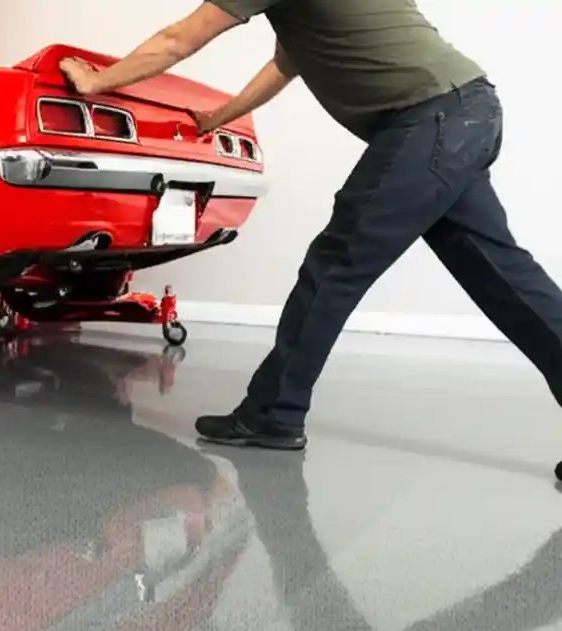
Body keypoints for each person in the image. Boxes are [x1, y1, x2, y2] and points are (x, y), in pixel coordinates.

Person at [60, 1, 562, 451]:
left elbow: (180, 38)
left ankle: (273, 414)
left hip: (431, 122)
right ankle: (275, 411)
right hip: (467, 111)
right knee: (503, 276)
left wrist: (97, 82)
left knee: (336, 263)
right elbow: (288, 63)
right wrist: (220, 116)